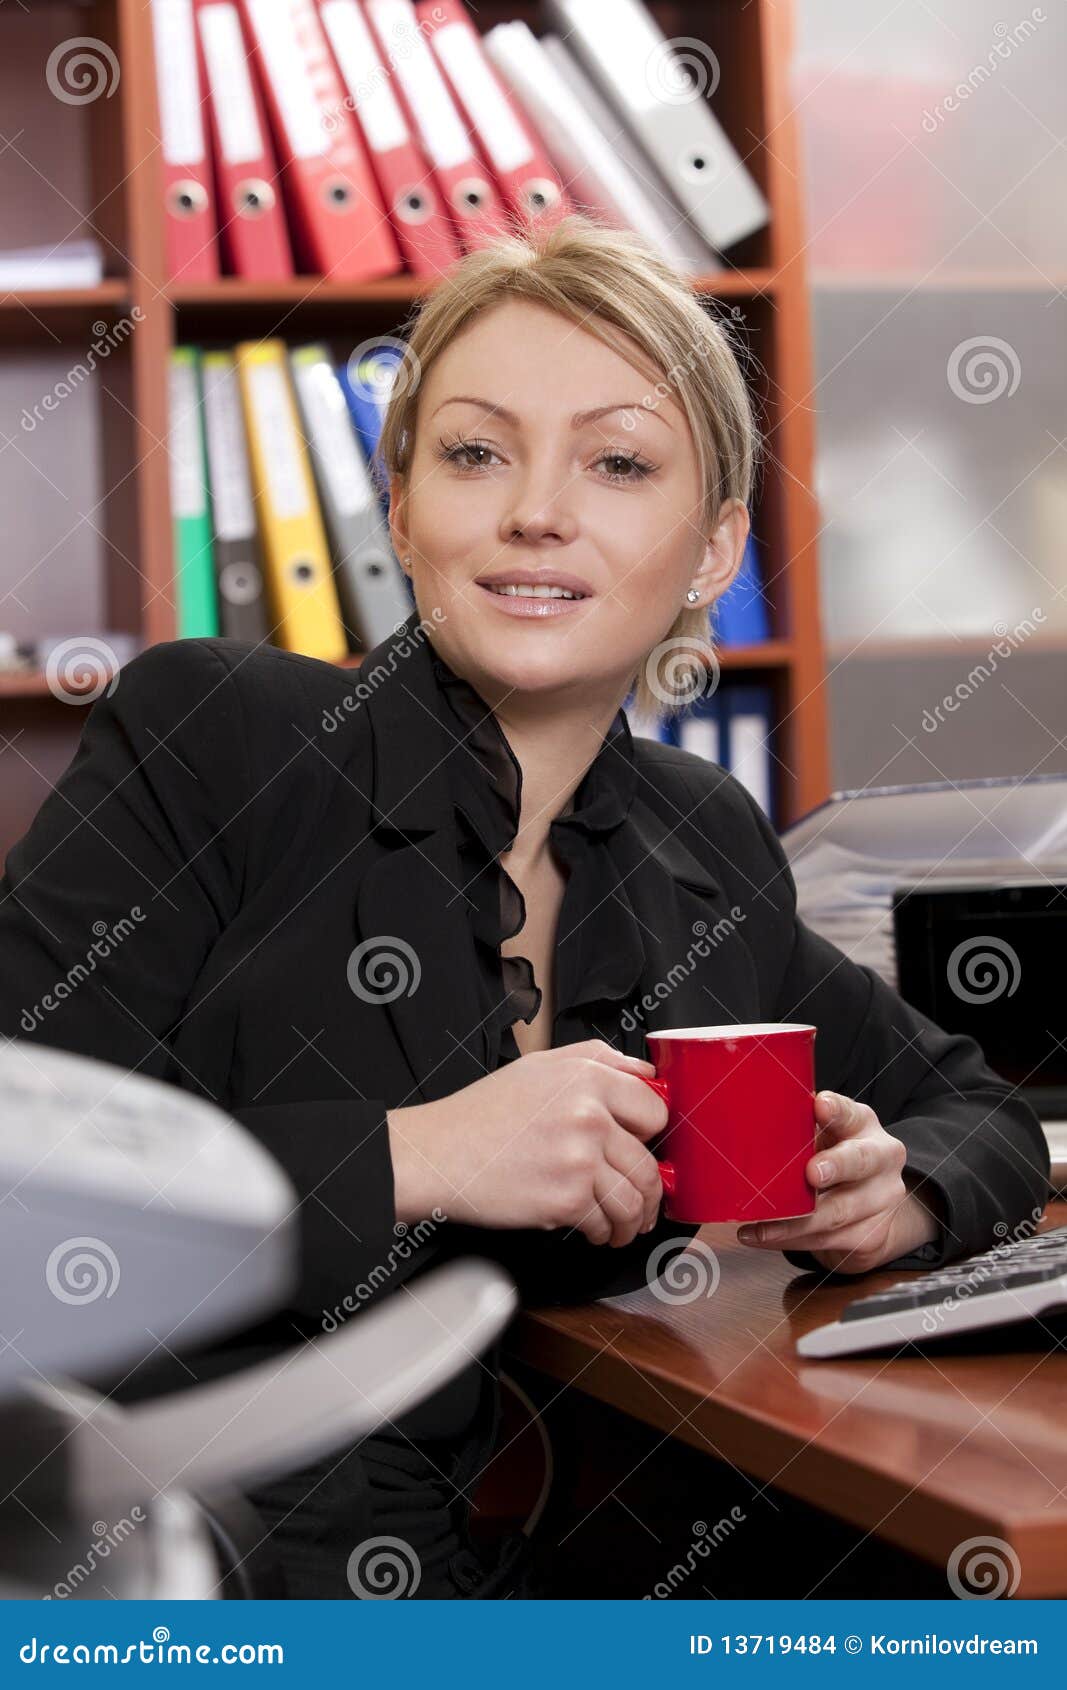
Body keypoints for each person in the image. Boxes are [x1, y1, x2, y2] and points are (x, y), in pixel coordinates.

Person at [0, 216, 1048, 1599]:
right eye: (475, 452)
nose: (534, 512)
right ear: (403, 507)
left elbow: (978, 1106)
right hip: (182, 1577)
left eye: (616, 463)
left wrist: (900, 1190)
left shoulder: (702, 840)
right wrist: (420, 1155)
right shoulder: (222, 738)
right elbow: (29, 1208)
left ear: (714, 548)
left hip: (521, 1565)